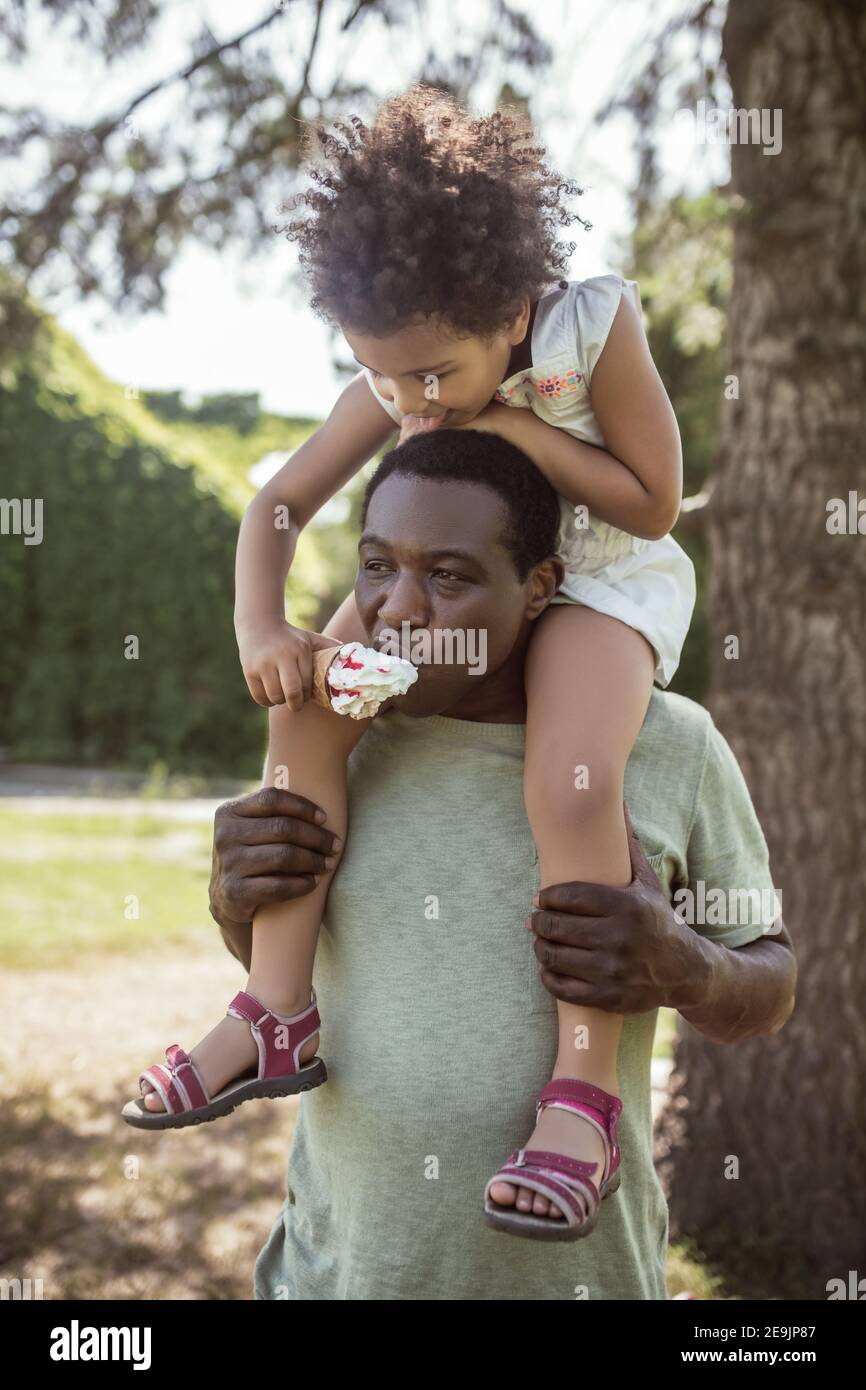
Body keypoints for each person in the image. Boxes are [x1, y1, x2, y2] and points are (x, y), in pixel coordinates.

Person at [126, 82, 696, 1238]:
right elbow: (279, 501)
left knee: (566, 774)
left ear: (508, 305)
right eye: (381, 379)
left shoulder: (592, 328)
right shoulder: (398, 378)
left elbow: (651, 503)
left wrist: (522, 431)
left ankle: (578, 1088)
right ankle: (276, 1006)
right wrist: (264, 628)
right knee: (308, 716)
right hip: (441, 581)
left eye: (430, 375)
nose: (408, 405)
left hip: (587, 579)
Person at [206, 435, 794, 1299]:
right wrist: (235, 898)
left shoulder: (670, 744)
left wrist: (683, 964)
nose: (398, 610)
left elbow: (769, 984)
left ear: (540, 589)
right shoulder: (336, 743)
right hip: (338, 1275)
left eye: (449, 577)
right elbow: (297, 973)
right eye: (376, 566)